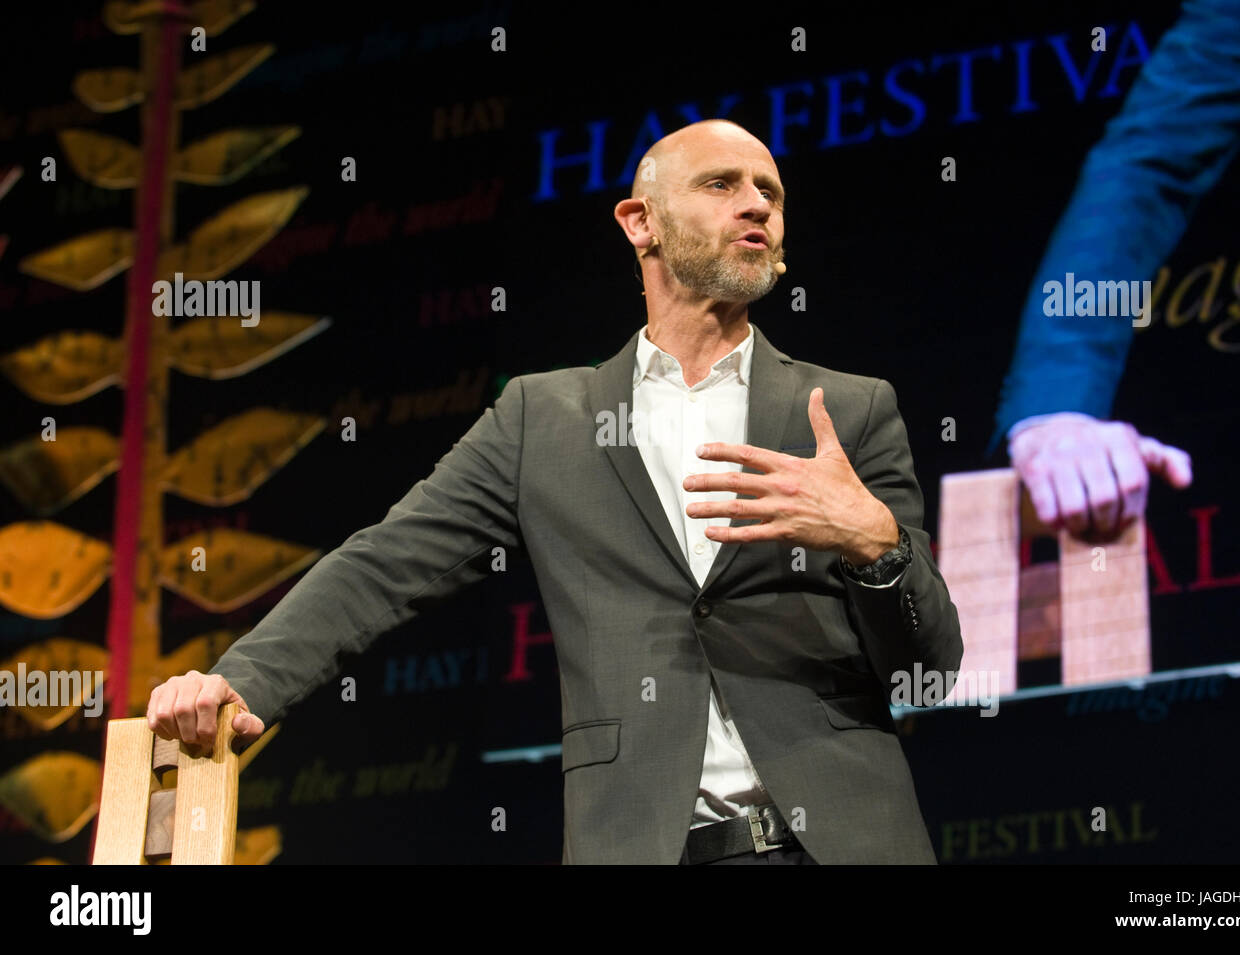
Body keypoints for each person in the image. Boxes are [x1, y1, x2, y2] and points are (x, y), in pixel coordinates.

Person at [147, 119, 963, 865]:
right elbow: (386, 563)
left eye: (771, 192)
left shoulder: (849, 410)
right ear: (638, 222)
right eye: (721, 184)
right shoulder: (545, 417)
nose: (757, 205)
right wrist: (240, 677)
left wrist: (876, 544)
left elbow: (930, 669)